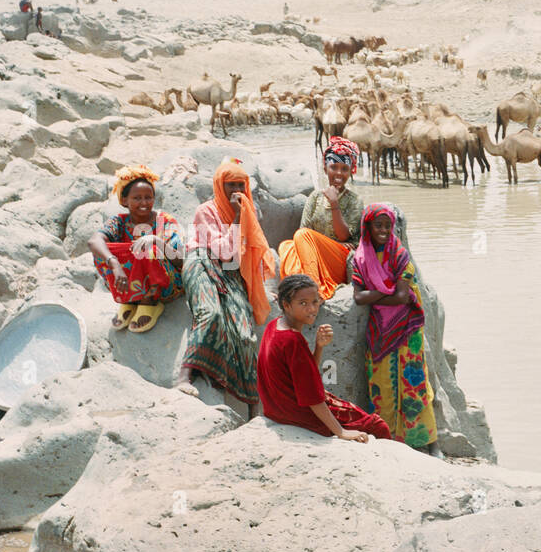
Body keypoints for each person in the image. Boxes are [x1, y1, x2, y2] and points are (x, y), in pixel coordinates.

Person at [179, 158, 276, 406]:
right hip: (202, 261)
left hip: (230, 274)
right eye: (230, 185)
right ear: (219, 186)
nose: (236, 192)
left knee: (245, 334)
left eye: (240, 186)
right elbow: (224, 251)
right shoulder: (206, 211)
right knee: (210, 313)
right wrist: (235, 217)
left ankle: (248, 399)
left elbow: (247, 253)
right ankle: (185, 374)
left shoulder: (247, 212)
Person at [257, 274, 392, 442]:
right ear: (286, 305)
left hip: (276, 408)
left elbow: (304, 375)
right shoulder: (292, 340)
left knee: (351, 409)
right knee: (377, 425)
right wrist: (341, 432)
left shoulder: (275, 326)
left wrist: (319, 347)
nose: (312, 309)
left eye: (315, 302)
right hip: (296, 413)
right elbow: (311, 396)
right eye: (303, 303)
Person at [348, 203, 439, 452]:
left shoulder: (399, 255)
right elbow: (358, 297)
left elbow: (401, 298)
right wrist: (387, 293)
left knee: (414, 383)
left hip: (408, 327)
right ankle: (387, 437)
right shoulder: (361, 258)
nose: (384, 230)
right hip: (380, 328)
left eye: (388, 226)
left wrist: (374, 294)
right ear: (367, 226)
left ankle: (428, 441)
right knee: (382, 383)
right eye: (379, 225)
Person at [88, 165, 184, 334]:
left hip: (167, 285)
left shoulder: (165, 221)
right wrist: (114, 263)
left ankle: (150, 302)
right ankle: (130, 300)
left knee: (148, 250)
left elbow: (180, 259)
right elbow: (94, 241)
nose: (144, 203)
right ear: (124, 201)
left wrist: (155, 241)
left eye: (148, 197)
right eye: (137, 198)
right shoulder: (119, 221)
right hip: (130, 282)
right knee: (103, 252)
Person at [277, 136, 365, 300]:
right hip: (314, 257)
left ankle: (314, 287)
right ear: (325, 169)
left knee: (302, 235)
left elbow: (345, 237)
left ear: (350, 171)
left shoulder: (355, 201)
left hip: (340, 260)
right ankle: (296, 285)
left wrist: (334, 204)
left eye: (344, 169)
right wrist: (314, 244)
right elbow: (302, 236)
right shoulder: (315, 197)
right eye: (334, 167)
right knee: (286, 246)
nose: (339, 173)